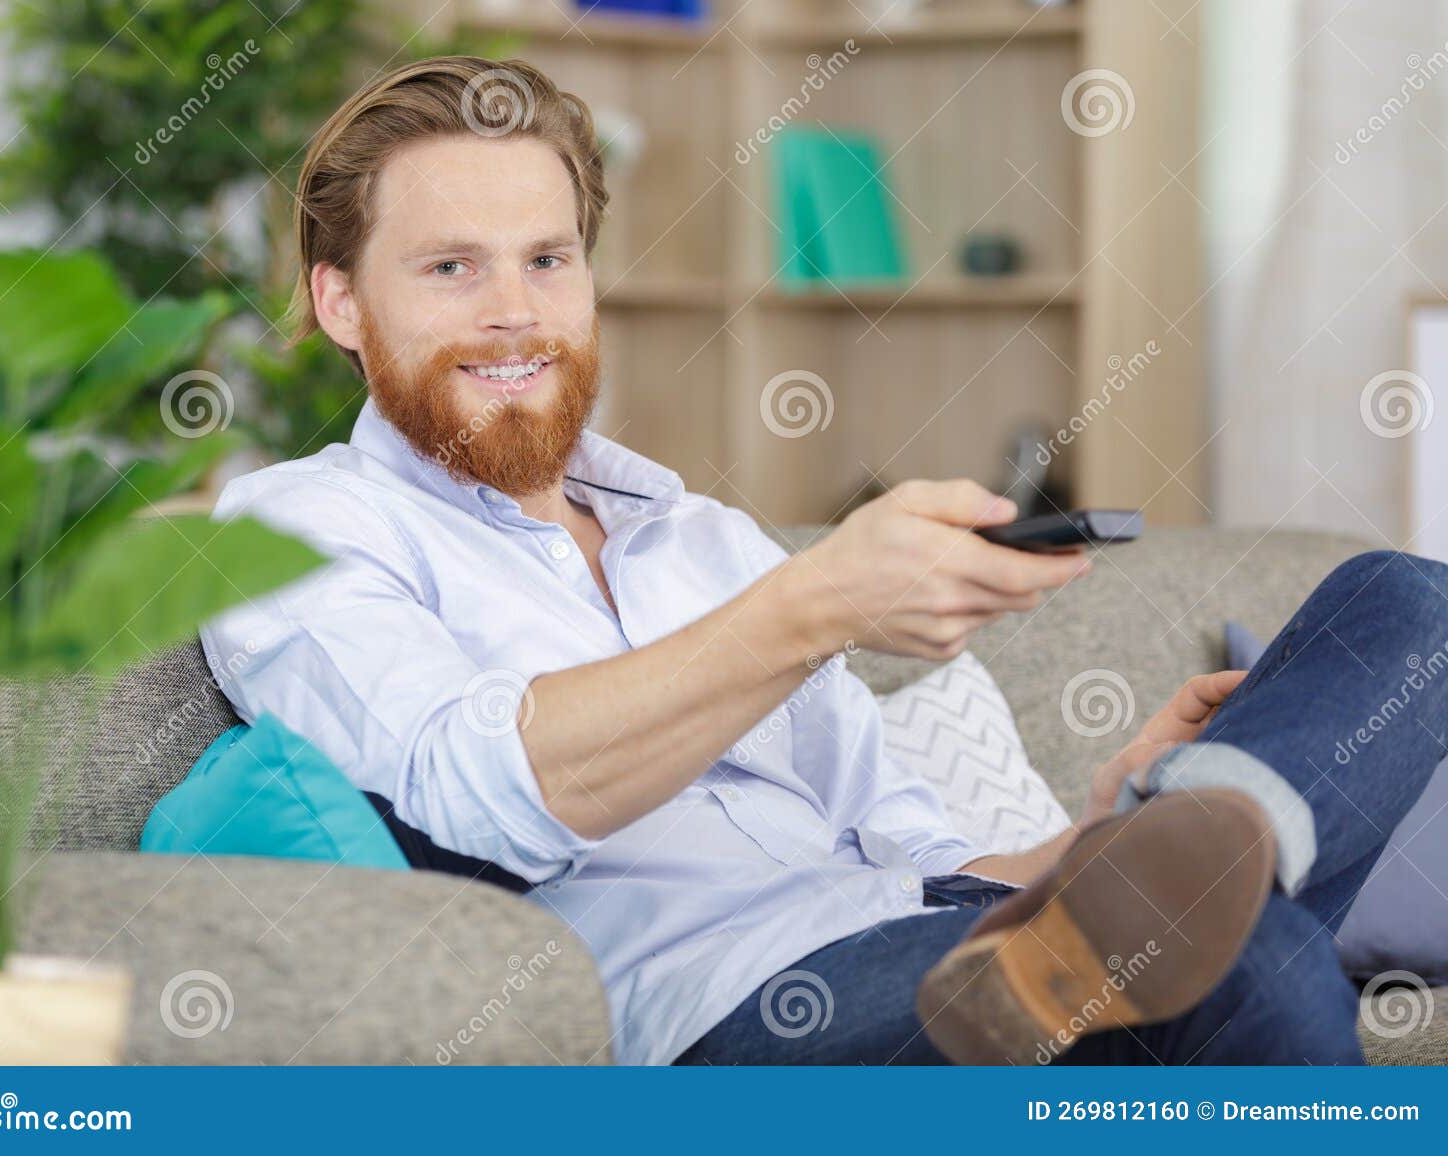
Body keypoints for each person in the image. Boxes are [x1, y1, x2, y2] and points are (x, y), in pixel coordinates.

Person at [199, 56, 1448, 1066]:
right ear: (342, 304)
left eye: (546, 258)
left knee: (1405, 603)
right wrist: (812, 603)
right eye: (450, 267)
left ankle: (1214, 834)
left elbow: (904, 862)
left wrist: (1115, 826)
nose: (514, 310)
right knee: (1257, 958)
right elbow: (471, 788)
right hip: (729, 1012)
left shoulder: (702, 538)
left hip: (945, 951)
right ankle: (1202, 878)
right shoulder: (296, 531)